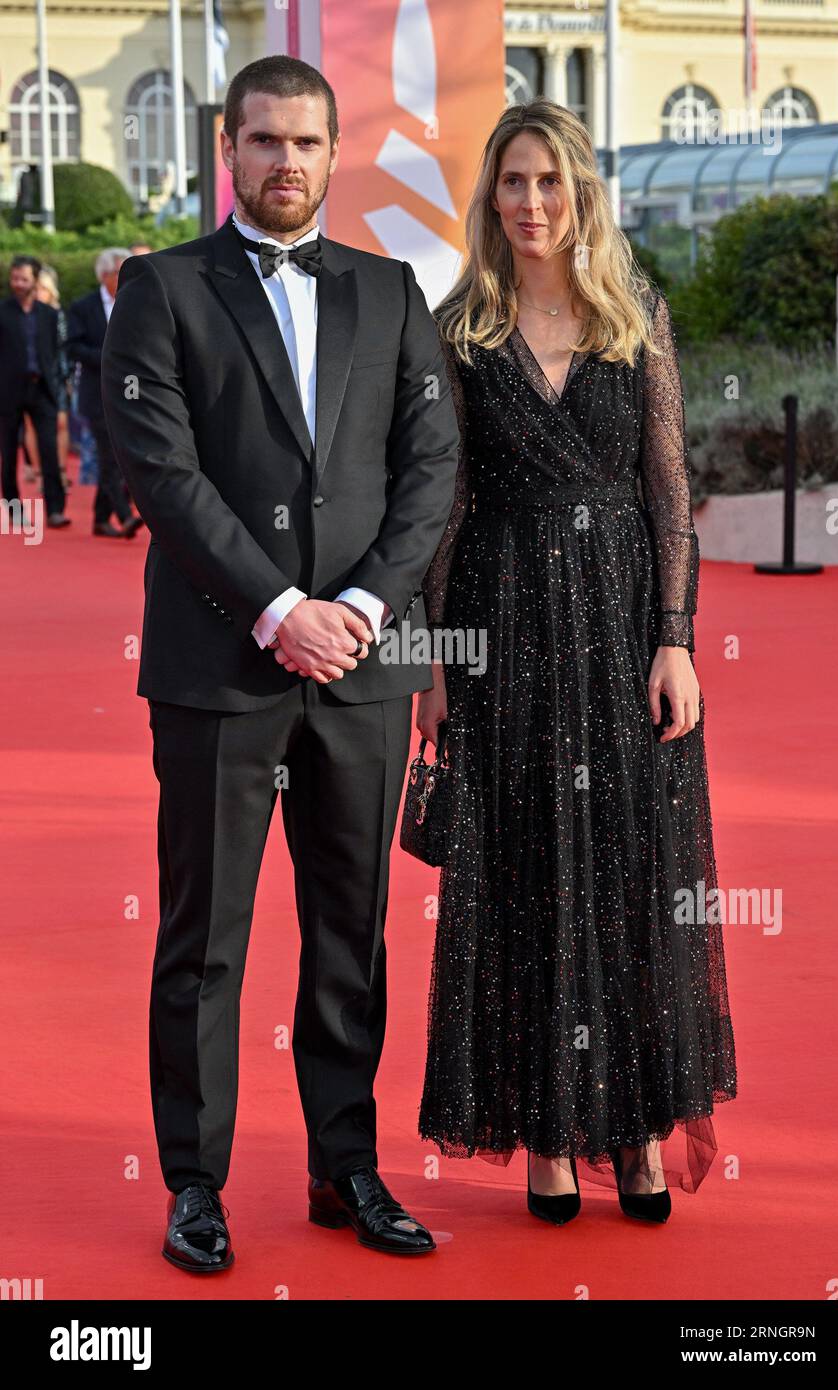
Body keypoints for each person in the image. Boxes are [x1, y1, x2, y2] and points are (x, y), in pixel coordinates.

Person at [101, 54, 459, 1270]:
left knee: (349, 933)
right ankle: (193, 1184)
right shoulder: (159, 290)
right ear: (229, 148)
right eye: (264, 141)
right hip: (220, 665)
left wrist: (357, 604)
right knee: (206, 938)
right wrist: (276, 608)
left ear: (332, 149)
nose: (287, 162)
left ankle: (343, 1167)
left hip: (362, 665)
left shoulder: (391, 289)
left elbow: (430, 470)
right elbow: (163, 473)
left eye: (307, 142)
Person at [416, 99, 737, 1225]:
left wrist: (675, 640)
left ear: (581, 190)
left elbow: (669, 497)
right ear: (488, 196)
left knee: (628, 878)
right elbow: (443, 507)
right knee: (519, 879)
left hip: (617, 636)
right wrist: (434, 664)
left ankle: (637, 1126)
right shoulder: (458, 325)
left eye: (550, 181)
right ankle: (544, 1133)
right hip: (500, 631)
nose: (531, 203)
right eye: (512, 182)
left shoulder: (630, 314)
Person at [67, 250, 145, 538]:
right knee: (111, 457)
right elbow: (72, 347)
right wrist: (110, 357)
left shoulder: (136, 302)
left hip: (132, 394)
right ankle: (124, 515)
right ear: (105, 275)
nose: (126, 278)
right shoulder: (82, 307)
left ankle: (101, 519)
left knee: (117, 456)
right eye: (120, 272)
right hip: (95, 394)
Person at [0, 254, 69, 526]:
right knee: (8, 454)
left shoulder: (49, 315)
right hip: (8, 391)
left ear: (35, 280)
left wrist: (58, 386)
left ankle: (55, 509)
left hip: (42, 389)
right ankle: (15, 512)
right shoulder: (2, 312)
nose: (18, 283)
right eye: (14, 278)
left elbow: (56, 353)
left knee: (49, 451)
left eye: (24, 279)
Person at [22, 264, 72, 493]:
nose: (39, 292)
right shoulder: (23, 313)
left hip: (57, 377)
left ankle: (60, 472)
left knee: (61, 424)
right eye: (37, 287)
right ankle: (41, 473)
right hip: (29, 379)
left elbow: (65, 347)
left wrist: (67, 377)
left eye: (43, 288)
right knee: (32, 426)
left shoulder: (57, 314)